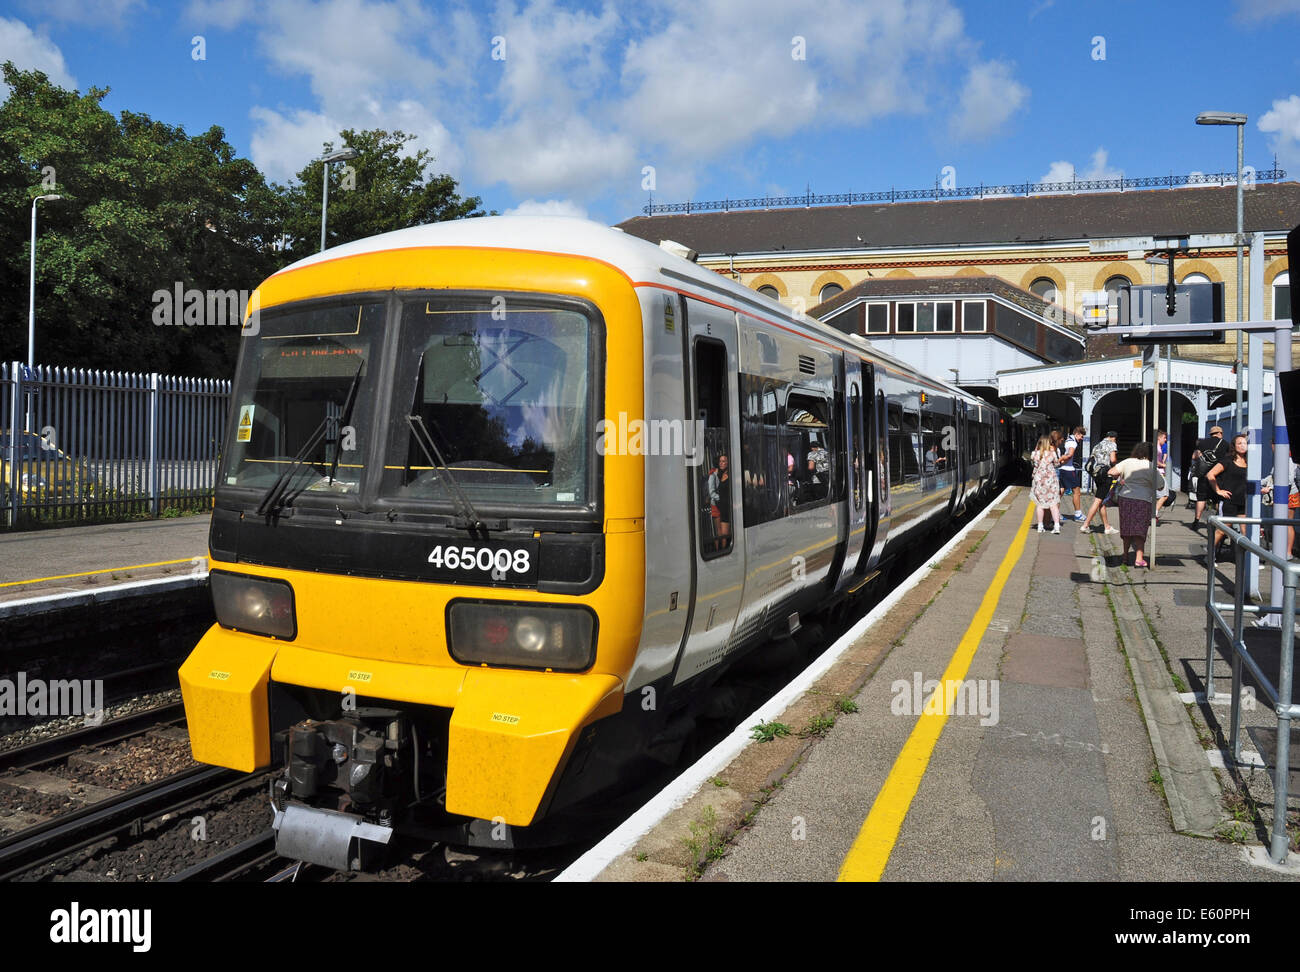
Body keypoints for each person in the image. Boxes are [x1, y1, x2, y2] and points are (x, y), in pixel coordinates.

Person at [1110, 441, 1164, 568]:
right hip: (1143, 499)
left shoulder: (1127, 461)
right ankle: (1139, 558)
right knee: (1140, 529)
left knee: (1126, 527)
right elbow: (1161, 486)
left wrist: (1122, 479)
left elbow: (1112, 471)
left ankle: (1125, 555)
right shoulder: (1151, 466)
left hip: (1125, 498)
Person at [1205, 432, 1249, 559]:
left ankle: (1250, 560)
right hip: (1229, 500)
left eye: (1245, 443)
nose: (1242, 446)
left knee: (1247, 531)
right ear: (1234, 446)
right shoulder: (1228, 460)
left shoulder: (1249, 462)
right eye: (1239, 443)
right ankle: (1209, 555)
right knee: (1223, 529)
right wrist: (1218, 490)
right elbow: (1210, 475)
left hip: (1244, 500)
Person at [1260, 446, 1299, 559]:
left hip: (1290, 494)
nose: (1273, 447)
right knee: (1281, 522)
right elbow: (1272, 476)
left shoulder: (1289, 459)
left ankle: (1288, 552)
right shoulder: (1280, 458)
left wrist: (1271, 488)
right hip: (1282, 493)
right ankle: (1280, 550)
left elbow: (1289, 478)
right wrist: (1261, 482)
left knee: (1287, 522)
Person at [1080, 431, 1120, 535]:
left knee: (1101, 501)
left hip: (1096, 474)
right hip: (1106, 475)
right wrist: (1117, 466)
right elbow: (1113, 459)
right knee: (1098, 500)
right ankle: (1085, 525)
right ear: (1113, 438)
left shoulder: (1097, 445)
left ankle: (1107, 527)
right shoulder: (1112, 444)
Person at [1192, 426, 1228, 529]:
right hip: (1218, 476)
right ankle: (1218, 520)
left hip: (1203, 474)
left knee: (1201, 498)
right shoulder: (1225, 444)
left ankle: (1196, 521)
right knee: (1218, 498)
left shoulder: (1202, 443)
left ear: (1211, 434)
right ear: (1220, 433)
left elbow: (1194, 456)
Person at [1030, 435, 1062, 534]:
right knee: (1053, 504)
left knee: (1040, 504)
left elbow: (1034, 466)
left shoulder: (1034, 454)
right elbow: (1057, 464)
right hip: (1052, 481)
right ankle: (1056, 527)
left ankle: (1040, 526)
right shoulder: (1052, 454)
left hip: (1039, 481)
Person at [1058, 426, 1086, 522]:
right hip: (1069, 470)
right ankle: (1078, 514)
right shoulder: (1073, 442)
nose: (1081, 439)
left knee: (1061, 491)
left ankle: (1055, 513)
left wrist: (1060, 463)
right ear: (1077, 434)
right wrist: (1061, 461)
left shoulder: (1068, 440)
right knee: (1077, 492)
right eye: (1081, 436)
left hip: (1063, 470)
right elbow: (1069, 455)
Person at [708, 454, 732, 551]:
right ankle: (721, 552)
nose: (721, 463)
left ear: (728, 463)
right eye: (720, 461)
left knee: (724, 534)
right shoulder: (718, 475)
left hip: (726, 507)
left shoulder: (728, 474)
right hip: (720, 507)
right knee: (721, 533)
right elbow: (712, 492)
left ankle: (724, 552)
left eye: (724, 461)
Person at [1153, 429, 1170, 524]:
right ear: (1159, 438)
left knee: (1156, 495)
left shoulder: (1158, 447)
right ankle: (1153, 514)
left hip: (1158, 473)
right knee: (1165, 495)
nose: (1165, 440)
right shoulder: (1157, 448)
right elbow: (1154, 460)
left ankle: (1152, 513)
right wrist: (1163, 465)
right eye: (1164, 437)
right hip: (1158, 473)